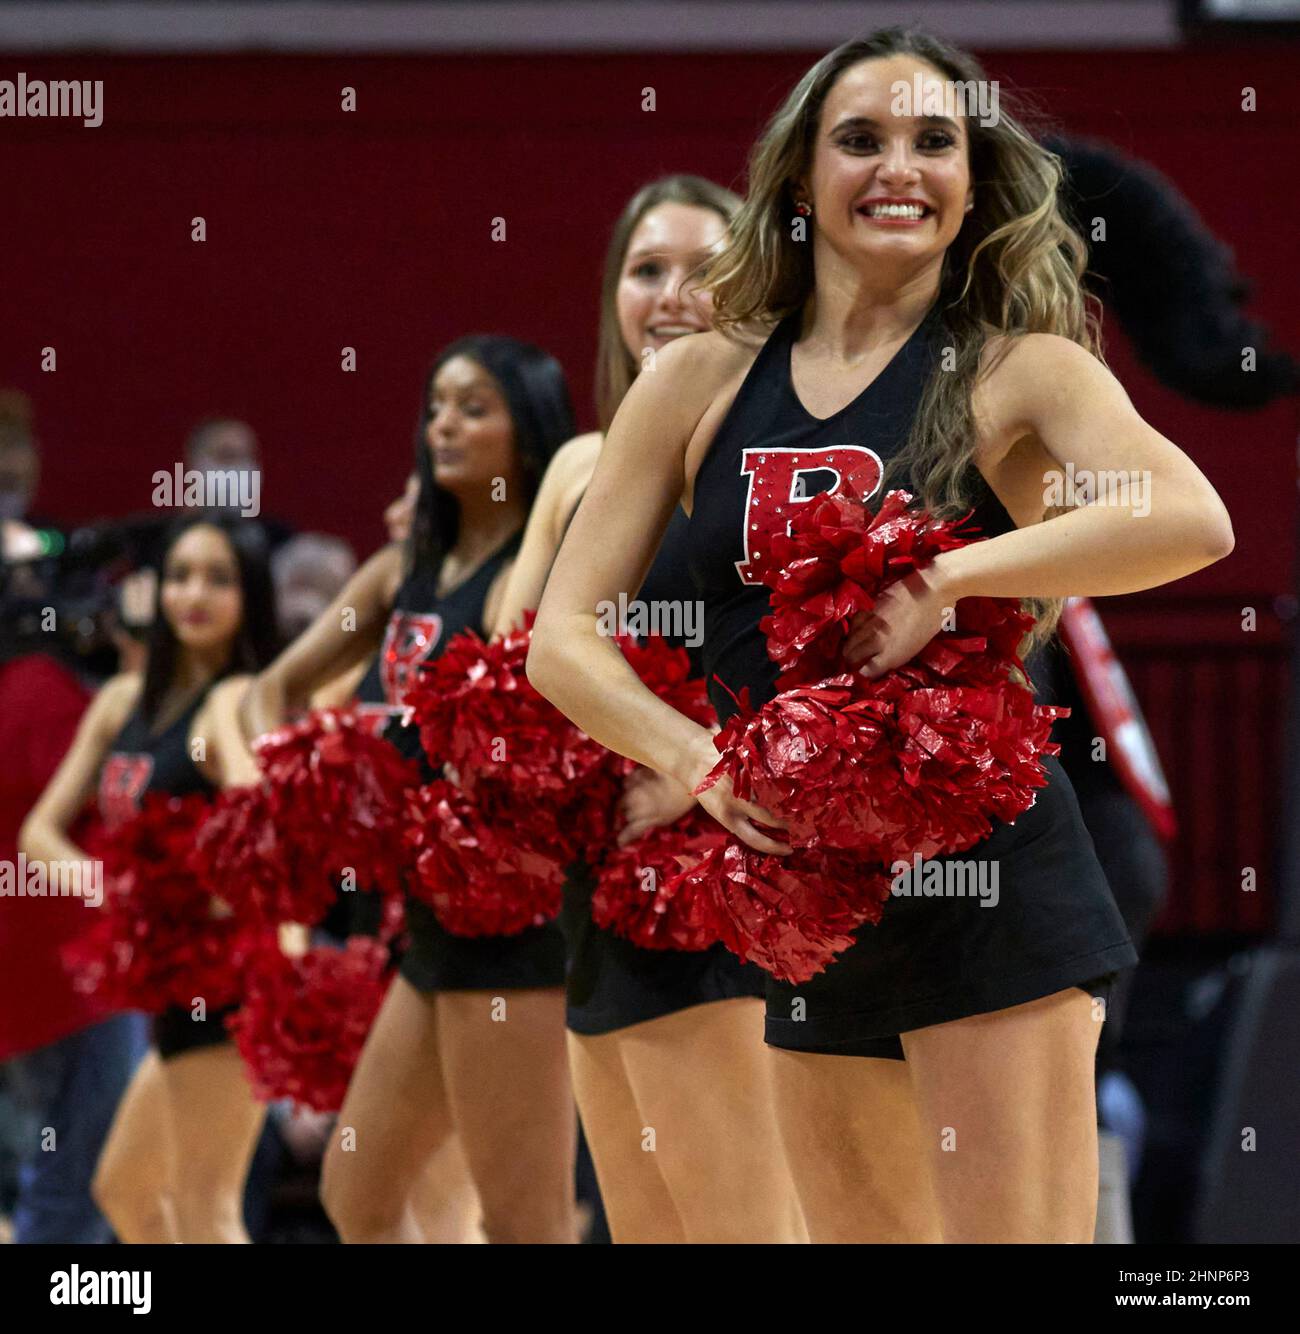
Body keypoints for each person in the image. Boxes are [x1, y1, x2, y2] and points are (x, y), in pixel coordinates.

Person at [528, 27, 1235, 1243]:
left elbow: (1187, 515)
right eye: (859, 139)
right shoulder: (697, 377)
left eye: (932, 141)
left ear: (974, 178)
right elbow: (561, 636)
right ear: (799, 180)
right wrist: (700, 764)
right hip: (808, 896)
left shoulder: (1020, 366)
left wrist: (952, 574)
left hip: (990, 890)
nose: (896, 166)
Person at [491, 175, 804, 1242]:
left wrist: (688, 763)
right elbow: (513, 650)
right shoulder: (585, 465)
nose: (670, 295)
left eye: (701, 270)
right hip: (597, 886)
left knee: (744, 1228)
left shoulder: (765, 452)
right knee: (645, 1227)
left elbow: (821, 655)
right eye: (645, 269)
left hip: (723, 876)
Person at [243, 336, 579, 1243]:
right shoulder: (402, 574)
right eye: (436, 406)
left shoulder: (530, 572)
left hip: (513, 936)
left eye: (475, 407)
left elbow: (537, 739)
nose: (444, 425)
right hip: (425, 929)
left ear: (529, 428)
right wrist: (299, 786)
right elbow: (270, 689)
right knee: (356, 1194)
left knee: (527, 1223)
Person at [20, 514, 280, 1242]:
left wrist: (196, 884)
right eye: (180, 575)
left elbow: (259, 813)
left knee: (206, 1204)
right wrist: (120, 888)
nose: (194, 593)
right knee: (127, 1192)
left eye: (220, 579)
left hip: (228, 987)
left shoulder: (235, 701)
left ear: (249, 597)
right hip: (167, 984)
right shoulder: (119, 702)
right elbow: (39, 833)